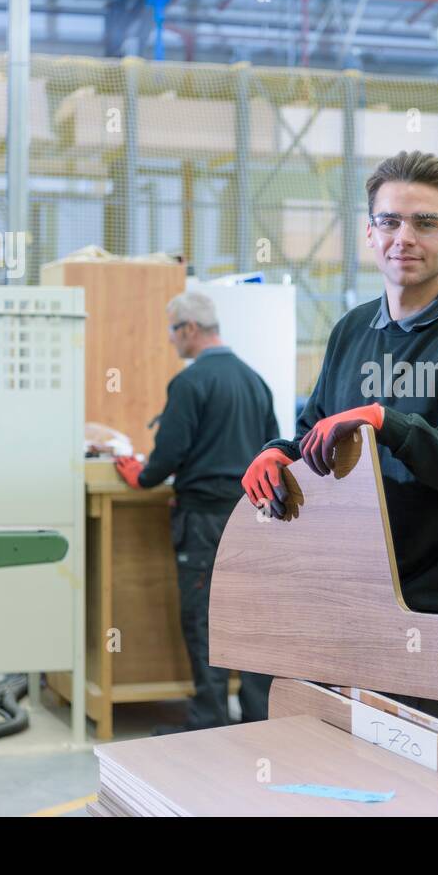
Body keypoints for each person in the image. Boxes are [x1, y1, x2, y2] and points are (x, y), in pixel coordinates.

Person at [241, 150, 438, 739]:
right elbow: (317, 433)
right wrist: (280, 452)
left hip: (435, 619)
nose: (406, 236)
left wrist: (392, 423)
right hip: (343, 608)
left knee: (432, 795)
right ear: (370, 232)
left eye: (426, 222)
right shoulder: (353, 330)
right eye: (390, 221)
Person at [116, 290, 278, 733]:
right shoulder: (253, 380)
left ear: (188, 329)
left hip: (205, 522)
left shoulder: (189, 383)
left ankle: (207, 718)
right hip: (253, 519)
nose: (171, 342)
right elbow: (274, 450)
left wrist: (142, 475)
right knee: (249, 619)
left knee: (204, 616)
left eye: (172, 331)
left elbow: (166, 457)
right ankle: (257, 718)